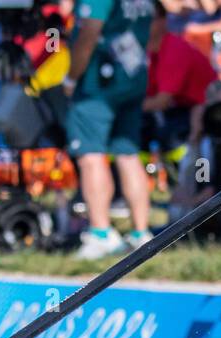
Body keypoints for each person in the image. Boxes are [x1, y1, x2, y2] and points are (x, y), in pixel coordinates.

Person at [64, 0, 156, 259]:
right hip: (131, 80)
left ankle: (100, 232)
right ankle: (141, 233)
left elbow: (89, 32)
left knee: (91, 157)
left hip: (98, 86)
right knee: (128, 155)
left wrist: (71, 77)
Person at [144, 3, 217, 153]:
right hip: (180, 110)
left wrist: (123, 106)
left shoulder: (174, 49)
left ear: (163, 20)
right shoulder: (150, 50)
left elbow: (161, 101)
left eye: (149, 19)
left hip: (201, 115)